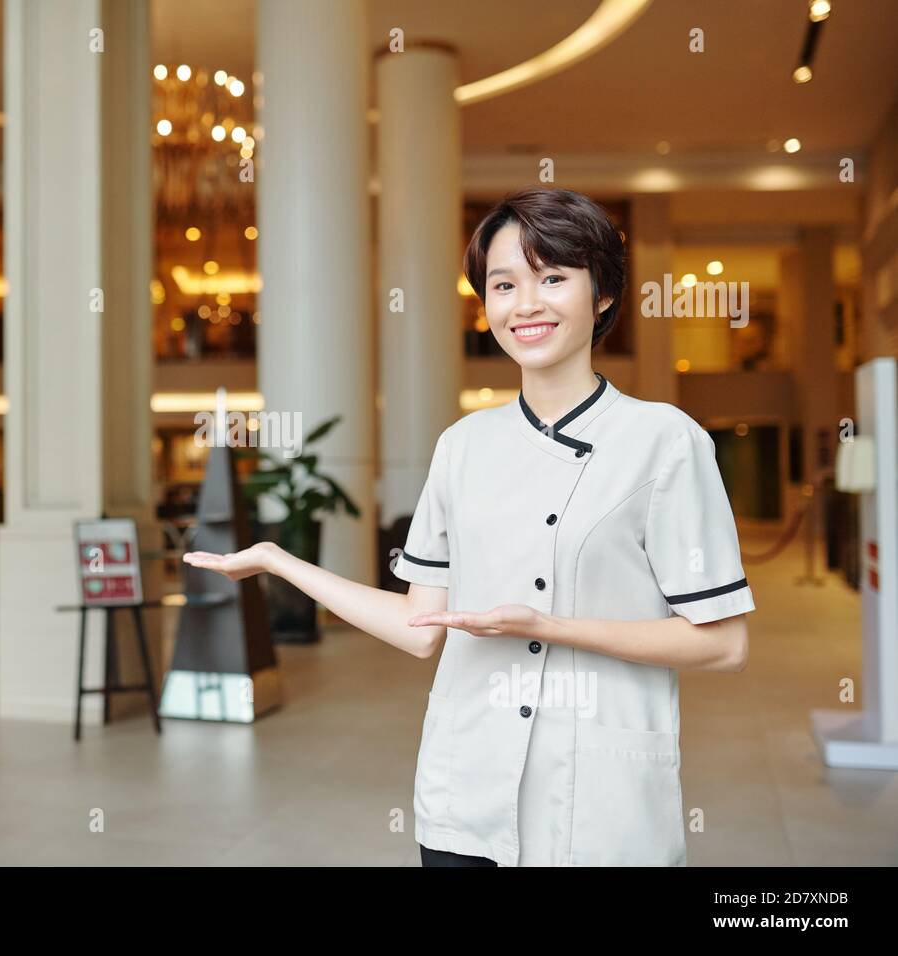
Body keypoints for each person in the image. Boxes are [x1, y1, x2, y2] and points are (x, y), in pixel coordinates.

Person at [183, 187, 754, 866]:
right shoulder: (462, 445)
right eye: (504, 284)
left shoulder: (664, 441)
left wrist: (546, 626)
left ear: (602, 295)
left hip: (601, 810)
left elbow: (722, 643)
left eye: (553, 279)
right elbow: (422, 627)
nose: (526, 304)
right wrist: (280, 560)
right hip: (464, 804)